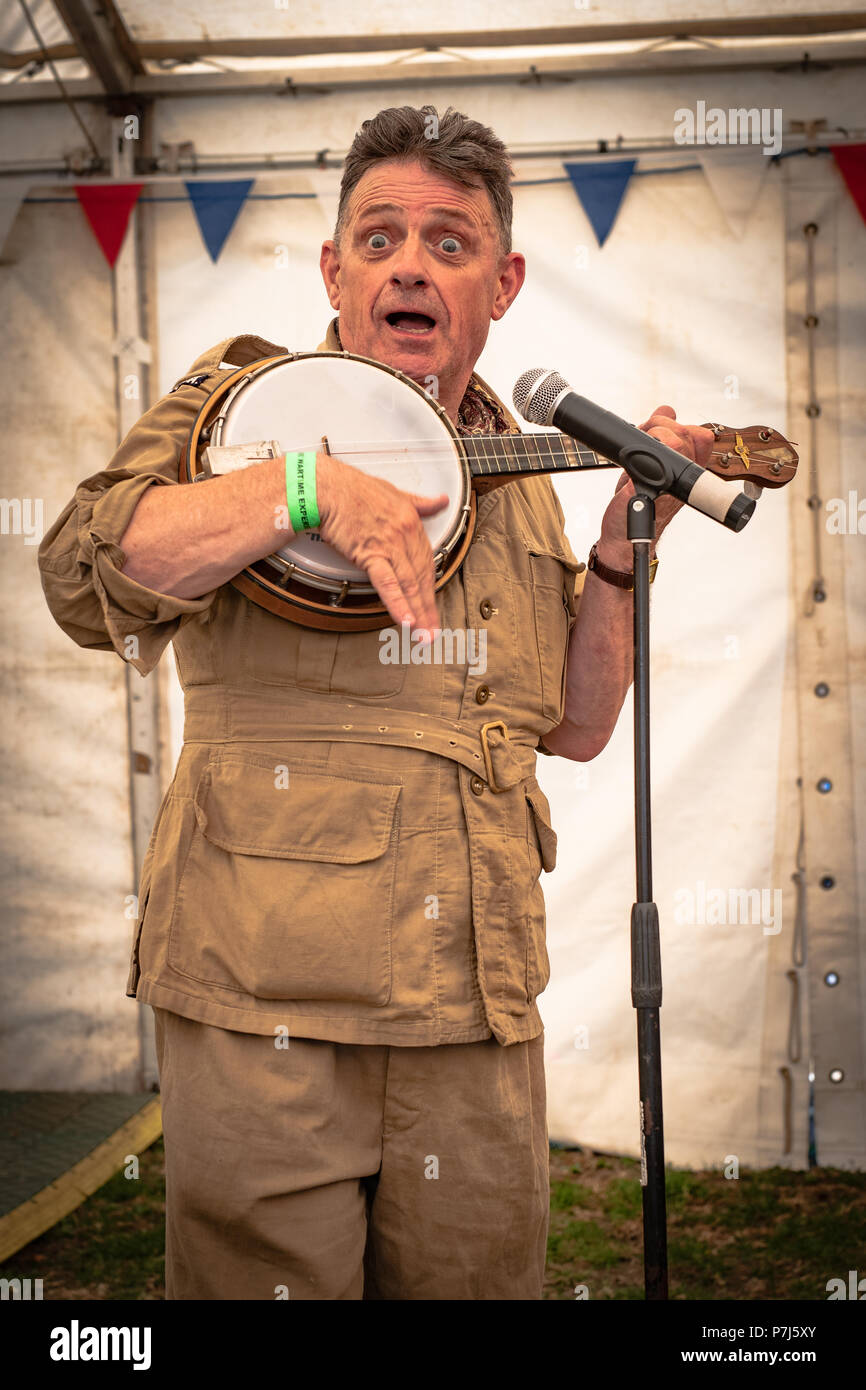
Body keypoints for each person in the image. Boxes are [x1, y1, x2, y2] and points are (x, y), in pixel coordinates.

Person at [37, 104, 713, 1300]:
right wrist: (303, 489)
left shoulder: (511, 464)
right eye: (380, 237)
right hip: (267, 1008)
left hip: (475, 1007)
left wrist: (618, 550)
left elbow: (574, 724)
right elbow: (89, 570)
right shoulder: (239, 405)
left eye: (449, 244)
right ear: (333, 270)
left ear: (499, 285)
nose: (410, 264)